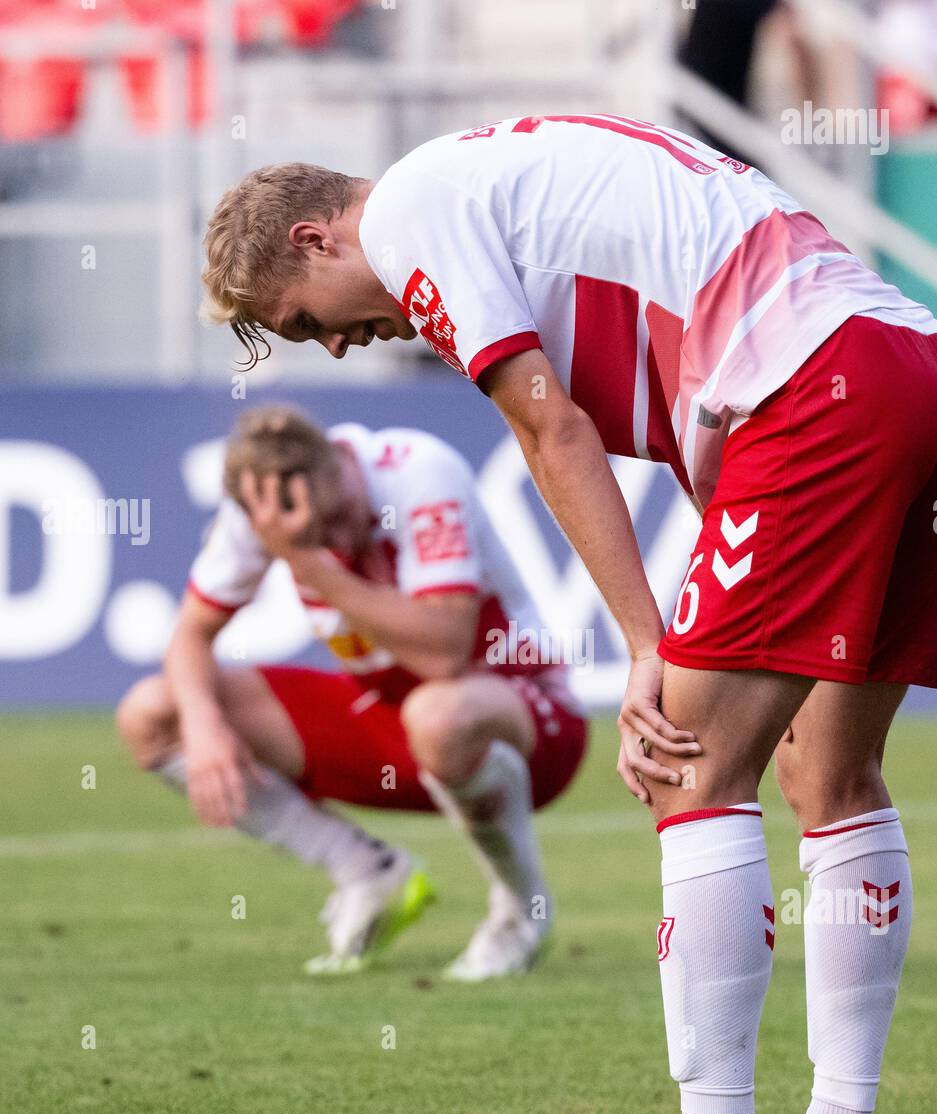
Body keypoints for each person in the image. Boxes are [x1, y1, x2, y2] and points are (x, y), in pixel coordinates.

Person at [200, 113, 937, 1114]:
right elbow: (694, 411)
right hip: (916, 371)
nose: (332, 346)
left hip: (812, 388)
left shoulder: (418, 212)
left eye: (301, 323)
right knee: (828, 778)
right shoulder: (505, 193)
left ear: (320, 238)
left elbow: (546, 429)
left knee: (682, 767)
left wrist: (646, 645)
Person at [116, 405, 587, 981]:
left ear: (341, 469)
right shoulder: (262, 507)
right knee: (153, 713)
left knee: (437, 713)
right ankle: (368, 872)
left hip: (517, 711)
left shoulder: (416, 472)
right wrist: (202, 721)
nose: (337, 541)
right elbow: (190, 634)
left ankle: (520, 910)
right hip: (389, 718)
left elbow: (443, 652)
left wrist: (309, 563)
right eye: (319, 538)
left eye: (338, 519)